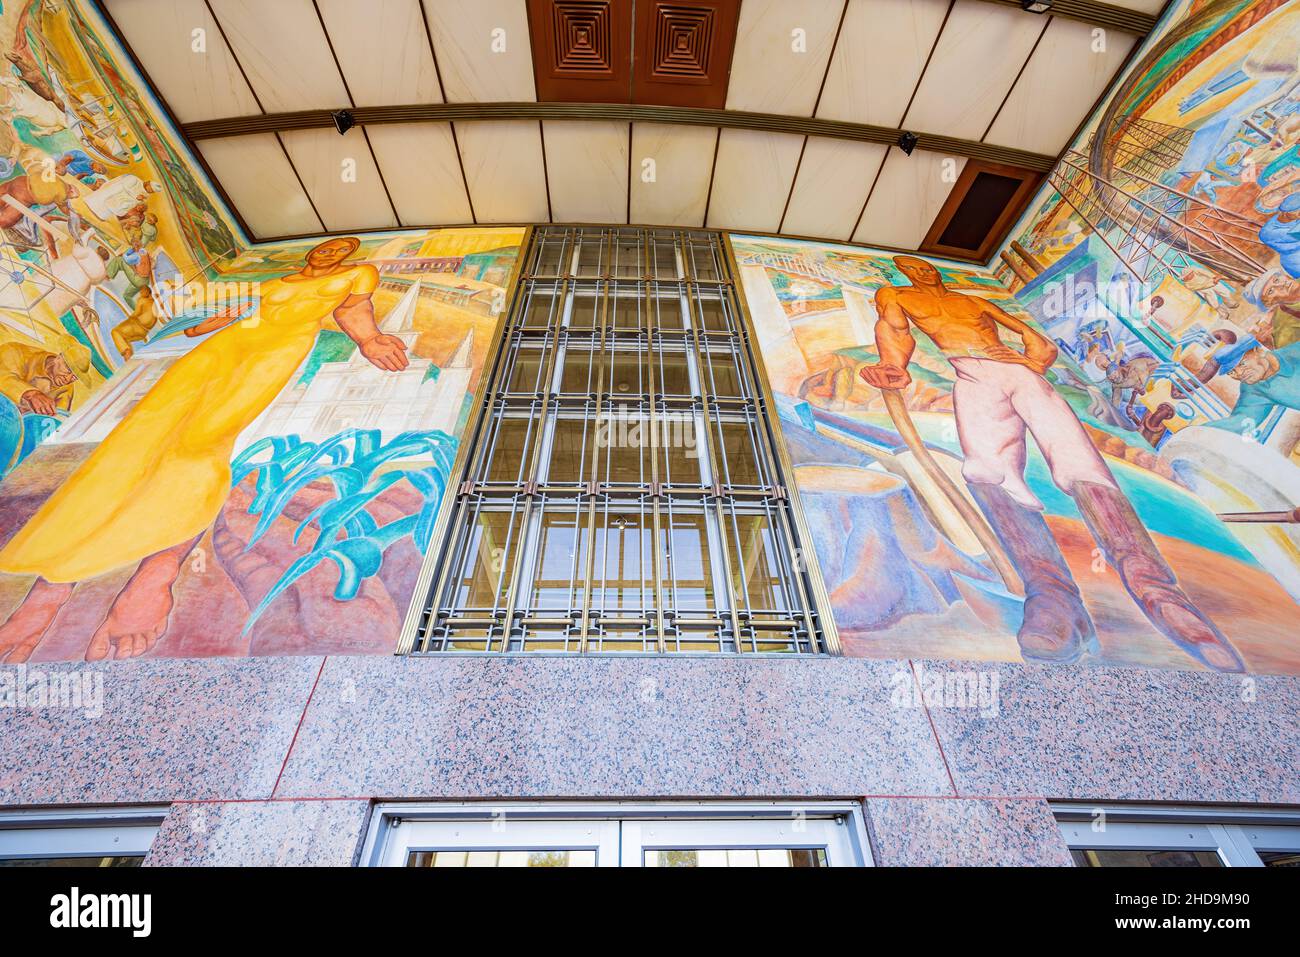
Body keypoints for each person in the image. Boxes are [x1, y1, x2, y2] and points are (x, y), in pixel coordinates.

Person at [0, 237, 409, 663]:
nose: (329, 250)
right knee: (140, 437)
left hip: (275, 351)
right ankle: (50, 589)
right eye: (325, 246)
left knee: (202, 441)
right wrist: (201, 328)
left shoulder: (357, 274)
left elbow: (352, 308)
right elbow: (238, 311)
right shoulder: (279, 280)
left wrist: (370, 339)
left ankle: (159, 567)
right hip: (222, 349)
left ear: (347, 256)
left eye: (341, 247)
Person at [859, 255, 1245, 672]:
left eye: (925, 266)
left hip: (1019, 373)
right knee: (987, 469)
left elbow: (1036, 342)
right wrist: (893, 366)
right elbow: (894, 329)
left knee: (1076, 460)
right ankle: (1052, 597)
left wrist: (1033, 361)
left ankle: (1158, 590)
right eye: (912, 268)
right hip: (970, 377)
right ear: (904, 275)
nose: (922, 271)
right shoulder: (895, 295)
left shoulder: (974, 301)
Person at [1206, 334, 1300, 436]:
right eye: (1231, 372)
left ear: (1259, 351)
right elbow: (1240, 422)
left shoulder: (1294, 353)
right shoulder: (1253, 389)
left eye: (1242, 363)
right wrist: (1198, 431)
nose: (1240, 373)